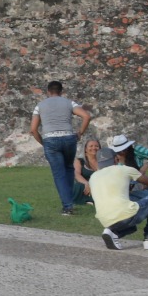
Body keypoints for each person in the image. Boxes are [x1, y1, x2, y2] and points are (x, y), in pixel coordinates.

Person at [29, 81, 92, 216]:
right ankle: (69, 200)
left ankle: (67, 206)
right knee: (69, 168)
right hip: (69, 138)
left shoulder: (39, 106)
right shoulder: (69, 103)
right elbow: (86, 116)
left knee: (59, 174)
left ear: (48, 92)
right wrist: (80, 133)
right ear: (61, 91)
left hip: (50, 139)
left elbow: (33, 130)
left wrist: (43, 143)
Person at [91, 138, 148, 251]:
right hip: (126, 214)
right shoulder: (125, 169)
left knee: (132, 227)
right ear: (116, 159)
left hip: (105, 219)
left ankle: (112, 232)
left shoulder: (93, 177)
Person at [73, 136, 101, 206]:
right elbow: (76, 174)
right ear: (85, 149)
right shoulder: (79, 161)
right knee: (78, 186)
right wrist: (87, 183)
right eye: (91, 146)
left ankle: (91, 200)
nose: (94, 148)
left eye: (96, 146)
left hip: (98, 186)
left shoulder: (103, 161)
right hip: (84, 187)